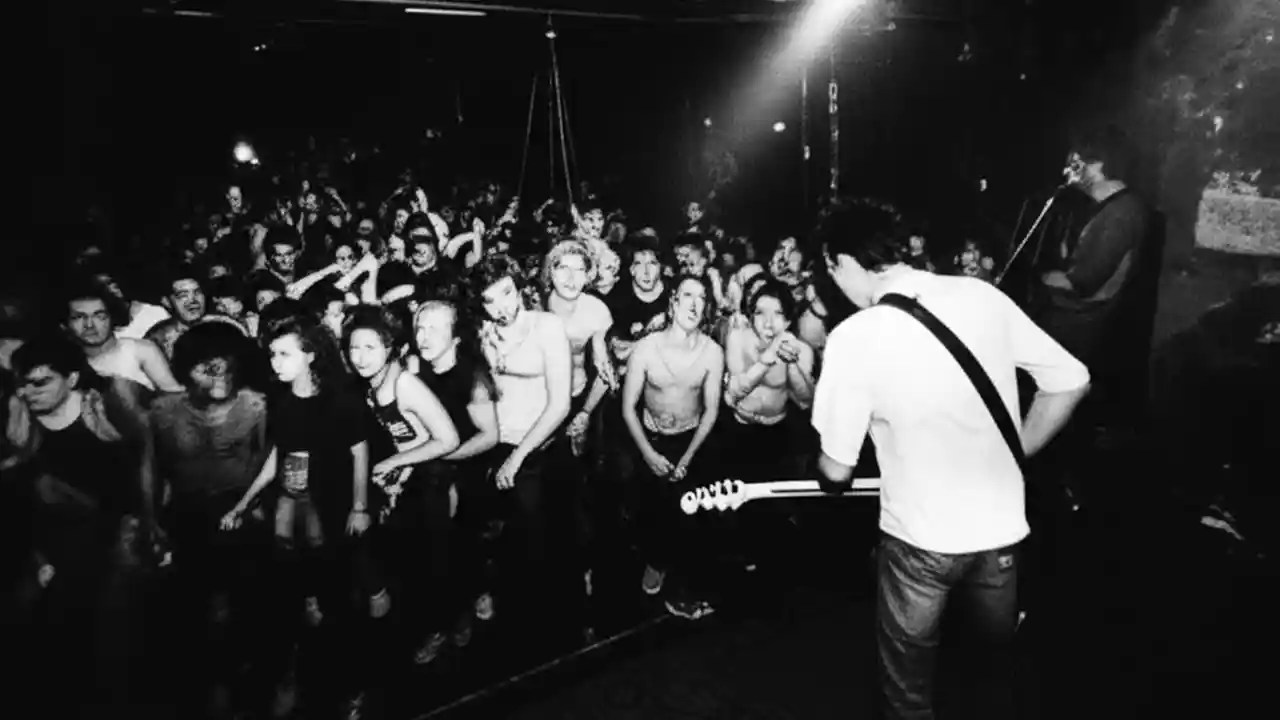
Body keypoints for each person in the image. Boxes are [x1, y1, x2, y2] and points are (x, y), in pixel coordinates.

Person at [810, 202, 1090, 719]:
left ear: (843, 260)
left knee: (908, 690)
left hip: (920, 540)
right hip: (1001, 530)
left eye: (830, 269)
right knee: (989, 677)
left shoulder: (856, 336)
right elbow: (1071, 381)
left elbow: (836, 470)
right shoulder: (982, 296)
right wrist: (1016, 452)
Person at [144, 322, 273, 717]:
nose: (221, 378)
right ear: (186, 370)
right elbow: (151, 468)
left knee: (247, 608)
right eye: (208, 369)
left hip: (240, 514)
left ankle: (251, 689)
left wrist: (255, 511)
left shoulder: (255, 406)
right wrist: (152, 520)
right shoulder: (163, 410)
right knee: (192, 612)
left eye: (227, 368)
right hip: (188, 515)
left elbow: (267, 462)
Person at [346, 307, 460, 666]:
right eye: (354, 348)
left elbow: (448, 439)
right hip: (407, 480)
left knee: (435, 565)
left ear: (390, 348)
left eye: (370, 348)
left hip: (430, 480)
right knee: (411, 565)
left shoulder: (405, 384)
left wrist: (396, 463)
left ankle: (443, 631)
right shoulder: (370, 384)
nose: (361, 357)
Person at [472, 254, 572, 648]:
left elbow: (560, 404)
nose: (503, 306)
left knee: (536, 536)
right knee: (493, 534)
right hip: (492, 442)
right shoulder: (482, 330)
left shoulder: (546, 327)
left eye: (507, 294)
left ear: (519, 288)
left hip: (535, 447)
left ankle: (542, 629)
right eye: (491, 300)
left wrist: (518, 457)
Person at [1037, 124, 1156, 433]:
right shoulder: (1108, 209)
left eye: (1076, 161)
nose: (1067, 168)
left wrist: (1040, 279)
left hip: (1080, 326)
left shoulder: (1121, 213)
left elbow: (1084, 281)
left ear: (1098, 165)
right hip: (1078, 323)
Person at [620, 274, 724, 619]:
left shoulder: (713, 352)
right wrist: (648, 453)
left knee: (690, 518)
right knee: (653, 512)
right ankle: (654, 563)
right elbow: (627, 407)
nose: (695, 304)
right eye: (687, 295)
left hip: (691, 440)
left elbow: (711, 411)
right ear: (673, 302)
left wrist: (690, 456)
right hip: (649, 439)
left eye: (702, 298)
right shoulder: (647, 348)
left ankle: (682, 591)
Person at [62, 278, 182, 394]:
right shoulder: (69, 368)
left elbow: (175, 398)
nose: (89, 325)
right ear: (65, 325)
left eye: (99, 316)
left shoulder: (140, 350)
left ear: (111, 317)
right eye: (79, 317)